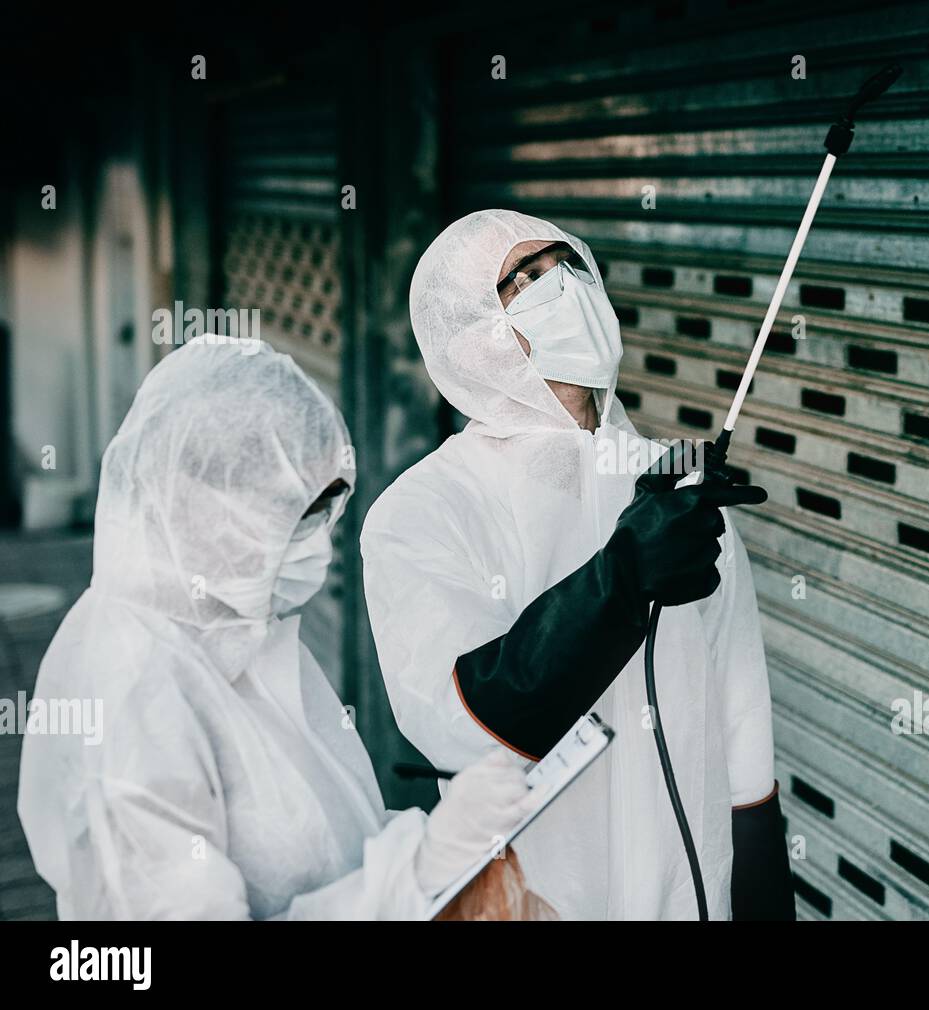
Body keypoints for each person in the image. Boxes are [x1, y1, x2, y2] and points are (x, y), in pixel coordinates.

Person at [362, 209, 795, 920]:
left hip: (686, 895)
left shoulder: (675, 493)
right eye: (523, 280)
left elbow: (741, 709)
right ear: (472, 340)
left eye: (568, 266)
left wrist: (761, 894)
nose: (560, 286)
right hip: (539, 898)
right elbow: (461, 722)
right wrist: (623, 578)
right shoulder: (425, 510)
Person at [17, 336, 545, 920]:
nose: (321, 543)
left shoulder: (234, 626)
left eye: (328, 512)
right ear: (205, 501)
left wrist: (432, 847)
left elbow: (323, 840)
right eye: (299, 515)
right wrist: (418, 870)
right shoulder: (131, 687)